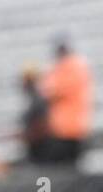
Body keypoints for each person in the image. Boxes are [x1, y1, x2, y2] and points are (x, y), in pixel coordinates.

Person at [40, 35, 93, 165]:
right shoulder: (79, 66)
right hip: (76, 126)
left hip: (65, 128)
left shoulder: (66, 68)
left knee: (63, 167)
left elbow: (50, 91)